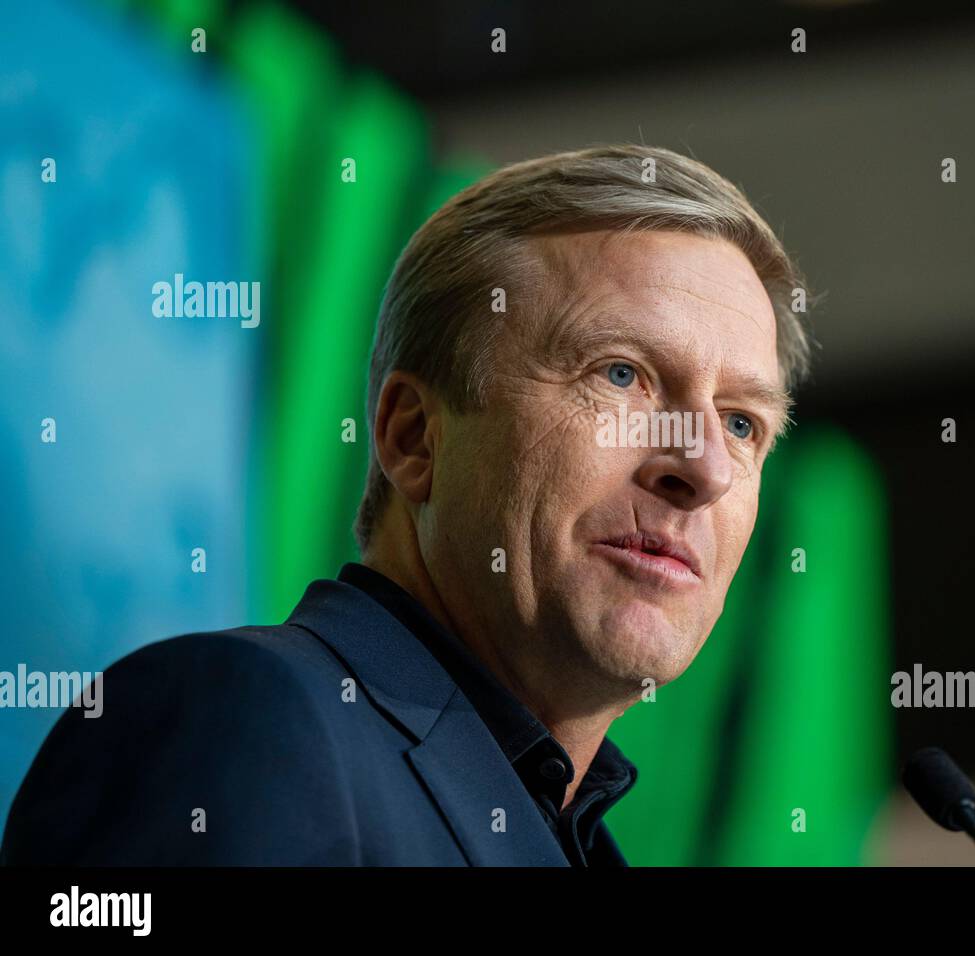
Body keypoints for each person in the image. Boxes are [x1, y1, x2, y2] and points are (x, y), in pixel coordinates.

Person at [0, 144, 814, 866]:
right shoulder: (242, 722)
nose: (704, 465)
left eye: (743, 422)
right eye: (622, 374)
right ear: (413, 438)